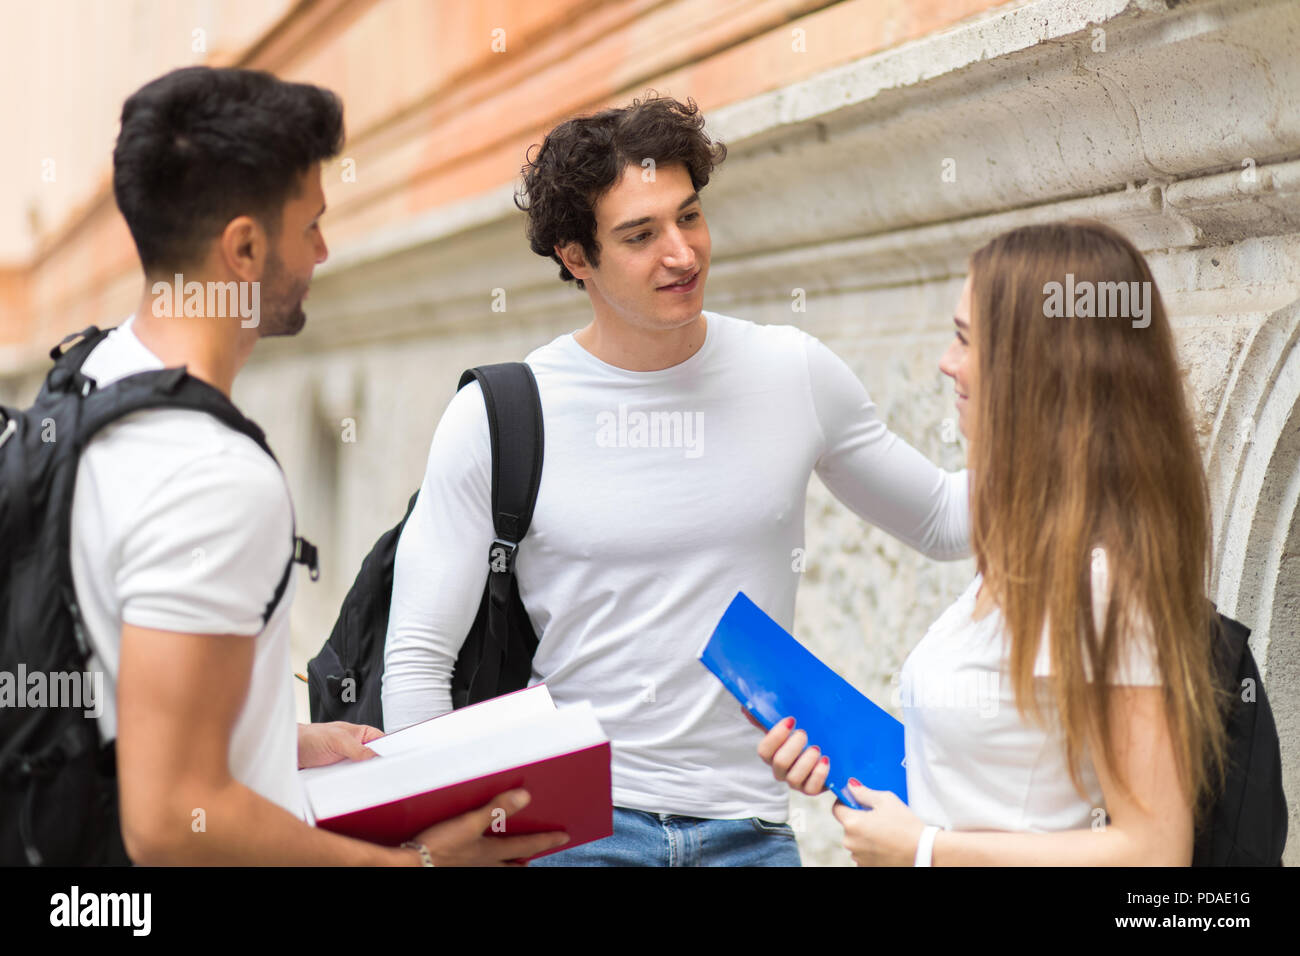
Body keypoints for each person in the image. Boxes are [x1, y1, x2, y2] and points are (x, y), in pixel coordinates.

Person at [382, 94, 971, 866]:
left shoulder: (789, 371)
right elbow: (419, 657)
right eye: (640, 234)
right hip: (576, 834)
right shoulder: (499, 413)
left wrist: (1082, 407)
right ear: (575, 256)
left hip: (751, 835)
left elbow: (942, 520)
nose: (682, 253)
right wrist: (444, 844)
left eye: (688, 217)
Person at [72, 66, 567, 865]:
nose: (324, 250)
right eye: (311, 226)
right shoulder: (212, 473)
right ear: (243, 247)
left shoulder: (85, 387)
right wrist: (419, 866)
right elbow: (172, 817)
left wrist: (277, 738)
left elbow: (114, 685)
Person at [759, 220, 1230, 865]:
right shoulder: (1028, 550)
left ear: (1036, 368)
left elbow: (1152, 852)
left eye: (964, 339)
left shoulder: (1098, 579)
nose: (947, 363)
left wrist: (923, 851)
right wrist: (844, 766)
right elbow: (993, 783)